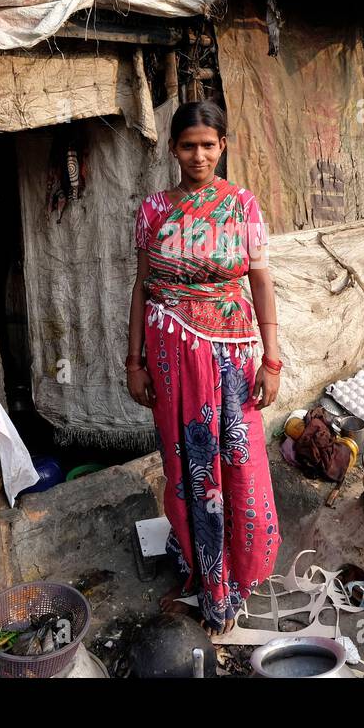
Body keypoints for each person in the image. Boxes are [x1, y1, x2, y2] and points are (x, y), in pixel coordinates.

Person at [126, 100, 283, 636]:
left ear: (223, 146)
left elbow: (259, 282)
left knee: (236, 462)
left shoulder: (242, 205)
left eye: (209, 145)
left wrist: (273, 360)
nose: (199, 155)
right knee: (186, 466)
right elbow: (142, 287)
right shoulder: (152, 210)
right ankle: (201, 568)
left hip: (233, 356)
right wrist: (133, 362)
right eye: (188, 145)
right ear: (172, 148)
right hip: (170, 358)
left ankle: (235, 574)